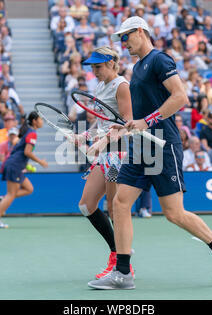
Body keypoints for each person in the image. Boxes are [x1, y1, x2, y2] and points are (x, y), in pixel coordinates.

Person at [88, 16, 212, 290]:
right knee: (120, 204)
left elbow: (181, 97)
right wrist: (114, 134)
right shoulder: (137, 66)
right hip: (140, 146)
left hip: (163, 145)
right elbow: (135, 116)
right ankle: (123, 272)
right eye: (120, 38)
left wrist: (148, 120)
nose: (123, 42)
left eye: (126, 36)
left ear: (141, 32)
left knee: (174, 213)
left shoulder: (160, 60)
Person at [76, 46, 135, 280]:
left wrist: (102, 144)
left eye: (98, 66)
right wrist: (85, 136)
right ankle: (118, 254)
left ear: (112, 63)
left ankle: (122, 263)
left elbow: (128, 124)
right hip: (104, 150)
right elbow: (102, 123)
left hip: (117, 153)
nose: (94, 71)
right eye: (92, 67)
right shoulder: (100, 86)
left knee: (115, 210)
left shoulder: (122, 86)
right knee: (86, 205)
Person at [0, 112, 48, 228]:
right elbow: (27, 152)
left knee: (29, 189)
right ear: (35, 121)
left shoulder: (28, 131)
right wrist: (40, 161)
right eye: (41, 119)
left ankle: (2, 199)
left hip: (16, 165)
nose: (42, 121)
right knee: (11, 195)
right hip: (15, 165)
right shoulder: (32, 134)